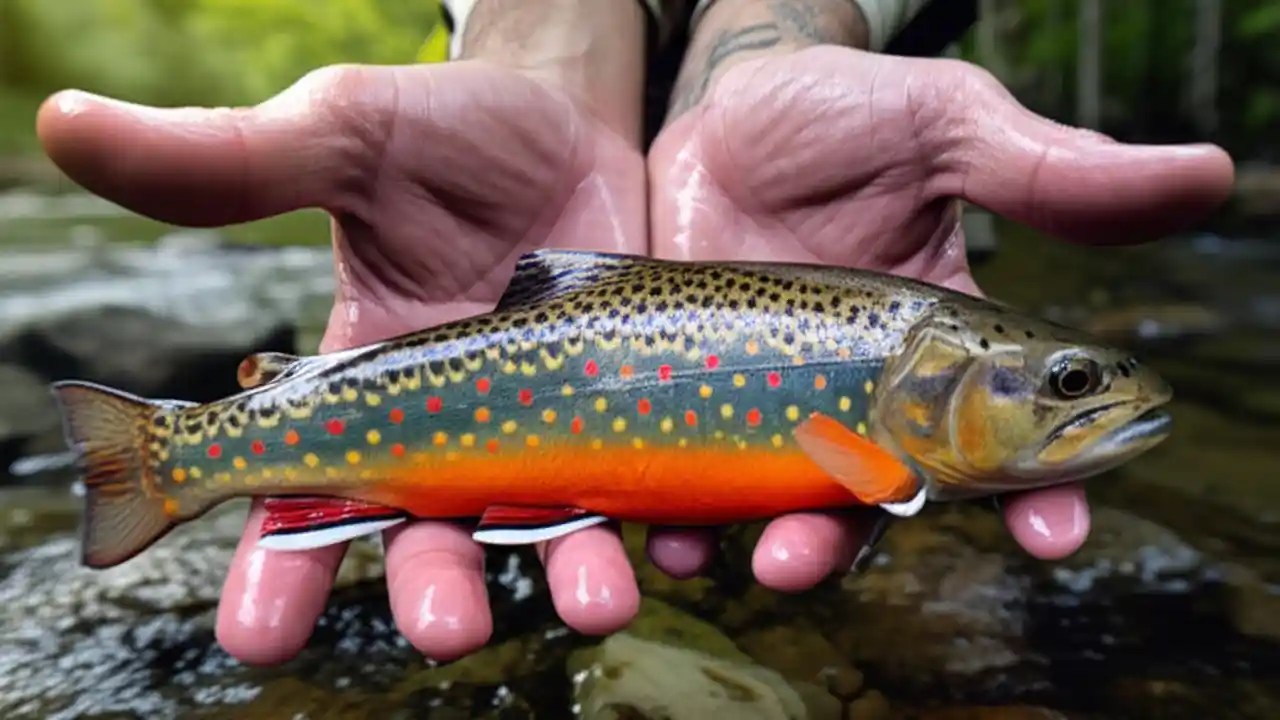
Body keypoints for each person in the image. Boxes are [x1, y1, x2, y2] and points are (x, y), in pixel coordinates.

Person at [35, 0, 1233, 665]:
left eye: (1066, 379)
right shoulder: (889, 423)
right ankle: (168, 454)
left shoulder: (895, 396)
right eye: (1066, 380)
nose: (1085, 395)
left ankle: (182, 454)